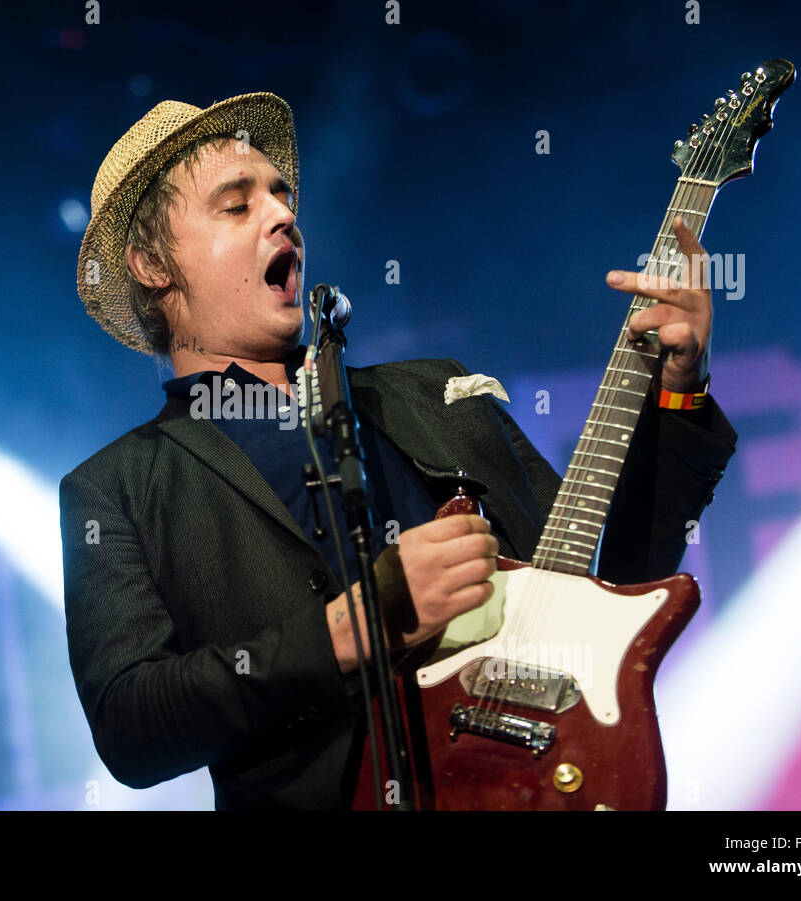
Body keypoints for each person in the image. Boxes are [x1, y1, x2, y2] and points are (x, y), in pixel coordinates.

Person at [60, 92, 737, 810]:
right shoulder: (120, 488)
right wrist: (355, 629)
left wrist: (677, 393)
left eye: (281, 195)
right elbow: (131, 725)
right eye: (237, 205)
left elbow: (609, 585)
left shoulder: (435, 392)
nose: (283, 213)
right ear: (150, 263)